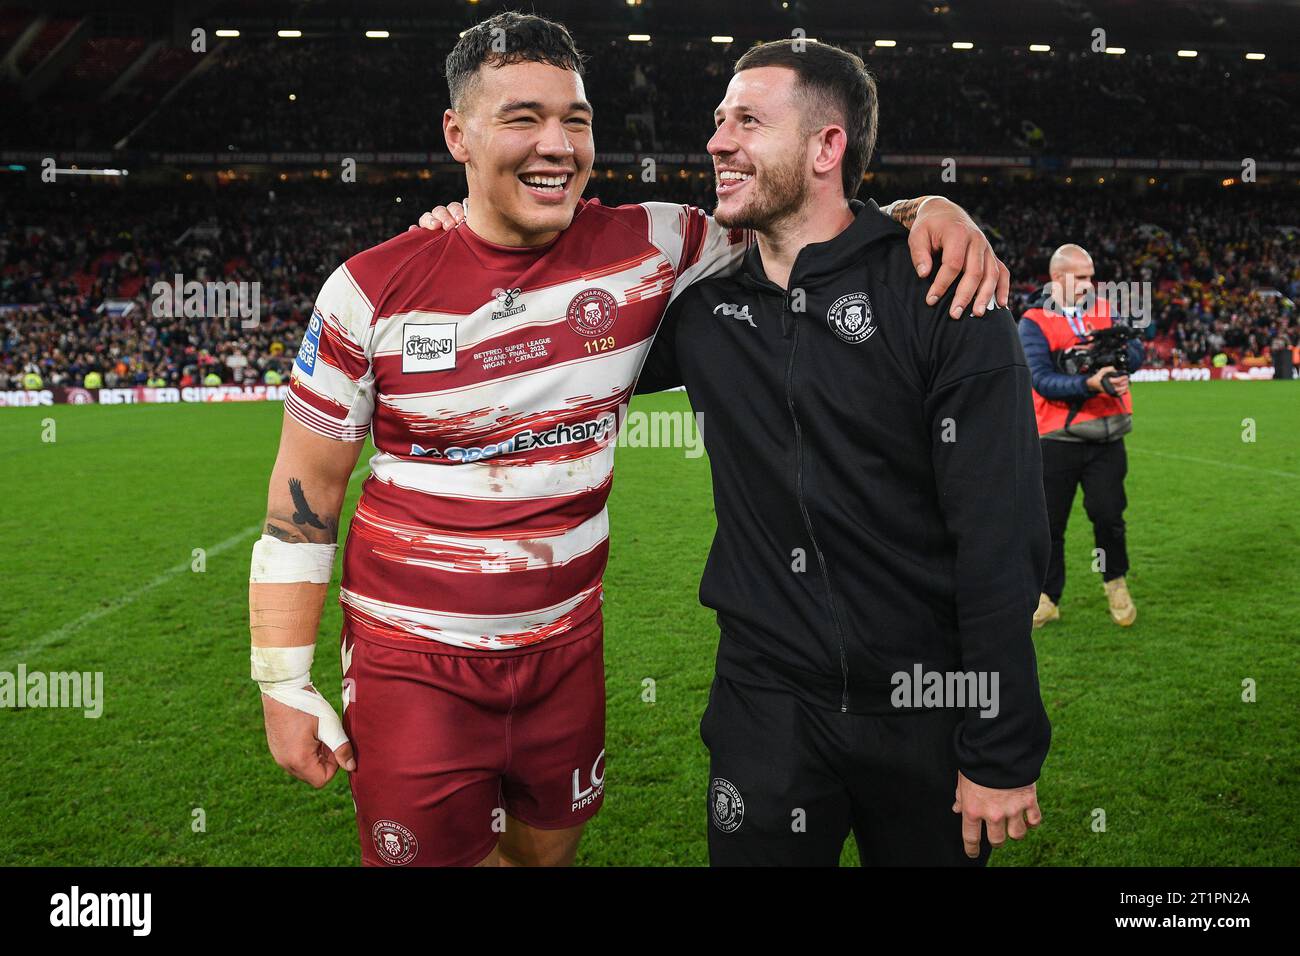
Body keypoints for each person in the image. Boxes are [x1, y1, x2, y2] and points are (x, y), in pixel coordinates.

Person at [259, 11, 1007, 868]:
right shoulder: (369, 290)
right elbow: (304, 496)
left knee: (545, 855)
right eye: (522, 118)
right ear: (457, 135)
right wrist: (282, 679)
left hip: (567, 648)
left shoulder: (658, 246)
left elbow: (807, 209)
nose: (557, 145)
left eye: (574, 120)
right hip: (411, 659)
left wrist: (925, 207)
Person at [630, 39, 1051, 866]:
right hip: (765, 707)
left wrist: (1001, 748)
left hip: (926, 704)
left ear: (828, 147)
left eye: (748, 121)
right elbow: (557, 336)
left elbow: (1001, 539)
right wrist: (469, 223)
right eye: (719, 121)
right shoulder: (702, 309)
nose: (717, 141)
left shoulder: (942, 293)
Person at [1018, 243, 1145, 628]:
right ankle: (1047, 595)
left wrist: (1123, 363)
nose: (1092, 284)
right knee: (1050, 523)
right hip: (1057, 438)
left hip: (1107, 434)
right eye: (1083, 276)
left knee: (1109, 515)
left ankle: (1115, 582)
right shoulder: (1034, 321)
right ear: (1058, 278)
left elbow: (1136, 351)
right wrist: (1089, 383)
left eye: (1093, 276)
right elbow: (1040, 380)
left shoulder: (1105, 310)